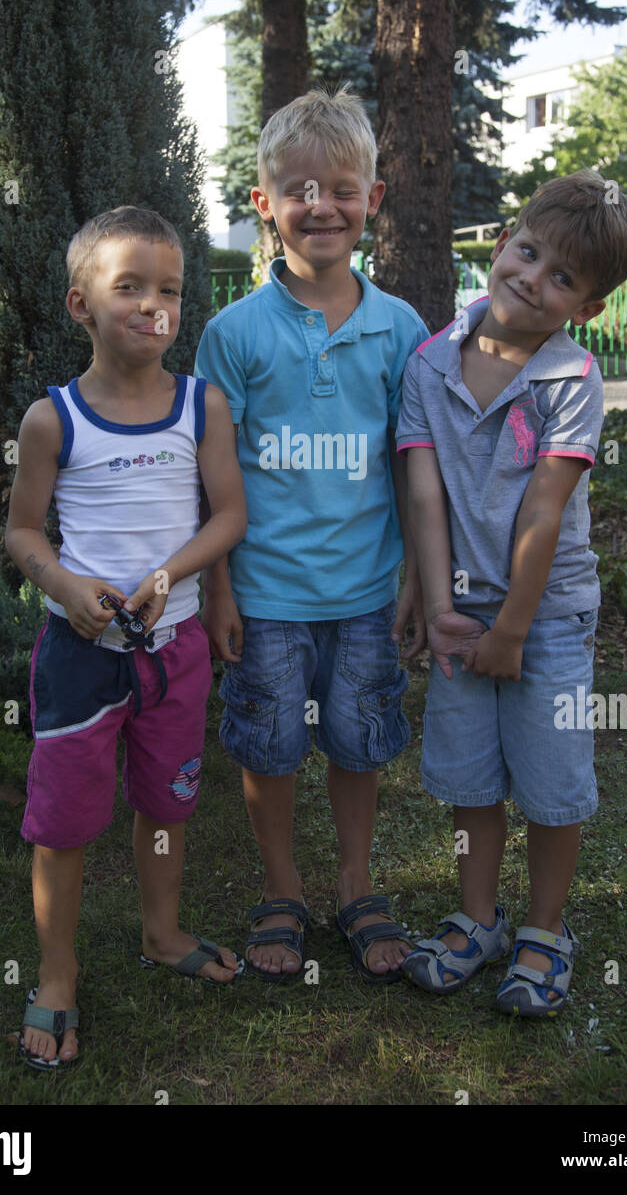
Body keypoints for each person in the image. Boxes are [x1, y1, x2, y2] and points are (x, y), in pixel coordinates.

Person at [195, 87, 481, 982]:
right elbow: (216, 470)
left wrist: (412, 578)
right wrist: (218, 583)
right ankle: (282, 887)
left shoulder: (401, 330)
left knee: (359, 742)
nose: (321, 205)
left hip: (366, 588)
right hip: (267, 592)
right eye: (299, 189)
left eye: (341, 188)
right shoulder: (231, 333)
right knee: (270, 744)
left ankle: (356, 885)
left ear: (374, 200)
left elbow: (414, 464)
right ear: (264, 204)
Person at [396, 170, 627, 1016]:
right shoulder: (429, 360)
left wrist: (512, 627)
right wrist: (438, 607)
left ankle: (544, 930)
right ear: (504, 240)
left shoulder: (571, 376)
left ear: (589, 307)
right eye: (529, 252)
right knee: (469, 780)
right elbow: (423, 495)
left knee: (550, 779)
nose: (533, 279)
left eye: (563, 277)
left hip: (547, 618)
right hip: (461, 614)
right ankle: (477, 918)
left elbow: (546, 504)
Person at [6, 206, 247, 1069]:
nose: (156, 306)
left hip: (173, 656)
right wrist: (67, 586)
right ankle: (57, 973)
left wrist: (169, 578)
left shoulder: (200, 406)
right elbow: (23, 533)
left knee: (164, 803)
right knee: (64, 823)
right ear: (80, 305)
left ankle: (159, 929)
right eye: (131, 288)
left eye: (172, 290)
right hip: (79, 660)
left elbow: (230, 516)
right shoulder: (53, 420)